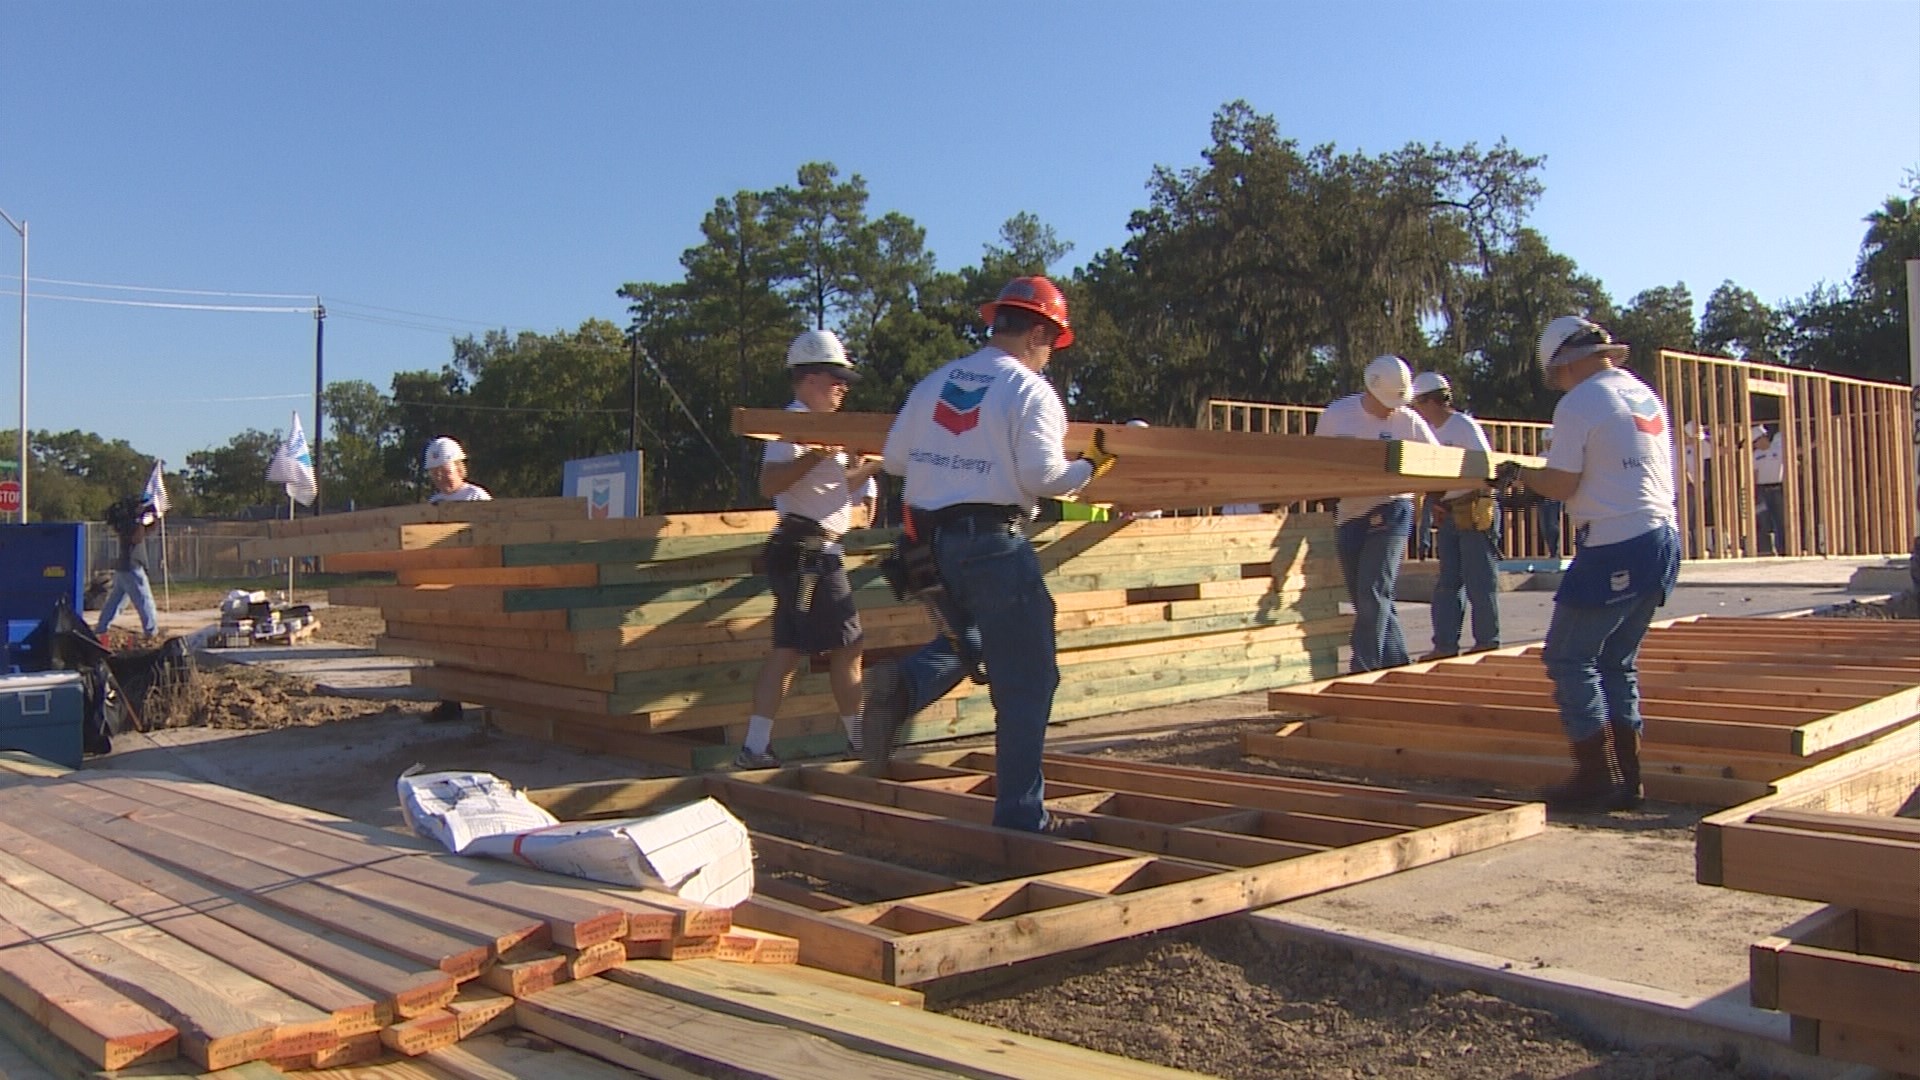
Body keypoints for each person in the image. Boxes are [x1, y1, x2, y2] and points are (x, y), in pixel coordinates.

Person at [864, 275, 1114, 834]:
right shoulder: (1030, 391)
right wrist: (1095, 466)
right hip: (992, 542)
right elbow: (1043, 477)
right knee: (1028, 680)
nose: (1050, 356)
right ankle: (1023, 819)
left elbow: (896, 460)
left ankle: (906, 682)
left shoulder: (936, 382)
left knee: (976, 634)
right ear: (1035, 331)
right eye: (1051, 343)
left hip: (932, 549)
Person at [1499, 315, 1679, 812]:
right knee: (1615, 662)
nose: (1557, 382)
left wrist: (1520, 476)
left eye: (1556, 373)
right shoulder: (1640, 392)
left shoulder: (1579, 401)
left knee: (1567, 657)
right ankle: (1629, 781)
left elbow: (1562, 484)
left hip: (1615, 543)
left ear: (1567, 362)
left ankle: (1597, 778)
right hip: (1661, 539)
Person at [739, 330, 883, 769]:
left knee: (787, 650)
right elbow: (770, 483)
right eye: (835, 378)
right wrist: (817, 456)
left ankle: (755, 746)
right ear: (810, 379)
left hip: (803, 550)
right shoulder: (794, 426)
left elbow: (838, 490)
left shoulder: (821, 432)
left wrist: (866, 471)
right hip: (810, 554)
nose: (842, 388)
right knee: (849, 645)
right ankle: (860, 742)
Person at [1315, 355, 1438, 672]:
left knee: (1373, 591)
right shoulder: (1337, 416)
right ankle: (1397, 665)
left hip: (1392, 508)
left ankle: (1363, 668)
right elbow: (1316, 461)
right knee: (1366, 596)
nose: (1392, 408)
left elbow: (1440, 461)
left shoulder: (1409, 422)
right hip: (1350, 513)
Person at [1409, 371, 1500, 659]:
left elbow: (1486, 469)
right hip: (1449, 512)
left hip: (1472, 510)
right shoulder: (1428, 432)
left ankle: (1487, 643)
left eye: (1418, 404)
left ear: (1430, 401)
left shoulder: (1462, 426)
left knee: (1479, 582)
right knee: (1448, 584)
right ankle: (1445, 646)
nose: (1417, 411)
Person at [422, 437, 490, 722]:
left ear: (459, 467)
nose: (440, 477)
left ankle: (493, 701)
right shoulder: (433, 503)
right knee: (443, 642)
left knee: (481, 641)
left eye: (444, 470)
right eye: (435, 473)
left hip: (474, 580)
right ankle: (450, 702)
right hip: (441, 580)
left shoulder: (477, 498)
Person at [96, 496, 159, 638]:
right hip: (132, 567)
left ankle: (101, 628)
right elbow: (137, 538)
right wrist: (141, 520)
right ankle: (151, 632)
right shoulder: (131, 523)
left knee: (116, 602)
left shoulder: (128, 522)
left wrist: (154, 517)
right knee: (145, 600)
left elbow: (149, 530)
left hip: (124, 568)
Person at [1753, 423, 1786, 556]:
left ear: (1763, 438)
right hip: (1762, 490)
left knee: (1780, 520)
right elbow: (1754, 474)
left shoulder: (1778, 449)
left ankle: (1782, 549)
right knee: (1763, 519)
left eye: (1755, 442)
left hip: (1777, 487)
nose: (1755, 445)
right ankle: (1766, 549)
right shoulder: (1755, 455)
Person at [424, 438, 492, 503]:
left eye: (445, 471)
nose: (439, 478)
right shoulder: (434, 501)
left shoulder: (476, 496)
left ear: (458, 467)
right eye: (435, 473)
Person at [1537, 426, 1565, 560]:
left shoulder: (1559, 456)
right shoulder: (1540, 457)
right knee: (1545, 525)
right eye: (1546, 442)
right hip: (1543, 495)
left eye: (1550, 442)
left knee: (1553, 523)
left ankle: (1556, 551)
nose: (1548, 444)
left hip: (1555, 494)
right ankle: (1551, 550)